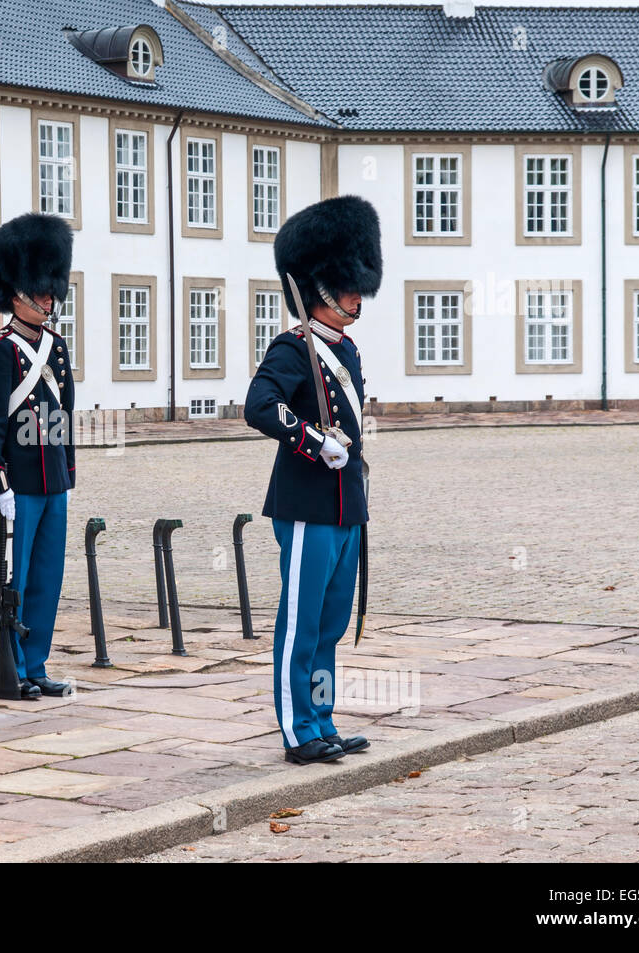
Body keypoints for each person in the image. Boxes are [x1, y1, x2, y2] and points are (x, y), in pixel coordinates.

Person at [244, 194, 381, 765]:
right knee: (300, 625)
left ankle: (322, 718)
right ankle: (297, 729)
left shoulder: (343, 349)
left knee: (330, 624)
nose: (356, 294)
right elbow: (258, 405)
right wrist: (310, 438)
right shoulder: (293, 347)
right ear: (319, 287)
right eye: (346, 284)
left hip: (345, 507)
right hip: (305, 506)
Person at [0, 213, 76, 700]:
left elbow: (65, 414)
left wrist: (66, 472)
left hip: (52, 479)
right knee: (14, 577)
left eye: (52, 291)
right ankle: (9, 665)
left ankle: (36, 662)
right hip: (17, 483)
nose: (49, 300)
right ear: (17, 293)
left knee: (47, 577)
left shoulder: (56, 348)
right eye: (41, 291)